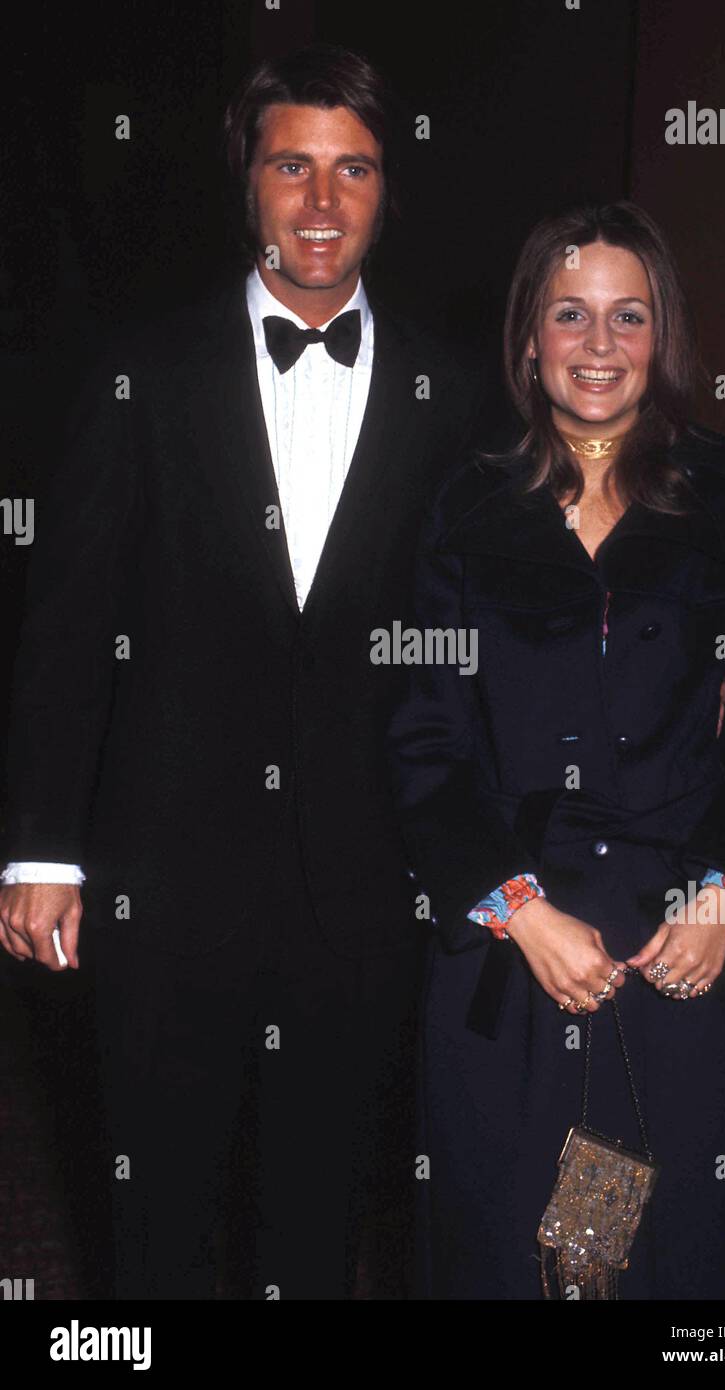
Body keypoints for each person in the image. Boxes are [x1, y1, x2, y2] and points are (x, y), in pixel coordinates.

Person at [0, 44, 487, 1299]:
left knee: (321, 1221)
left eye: (353, 170)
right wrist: (43, 849)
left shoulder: (459, 395)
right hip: (164, 876)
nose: (321, 204)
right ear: (247, 180)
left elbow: (472, 651)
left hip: (368, 886)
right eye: (291, 166)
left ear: (387, 189)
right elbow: (66, 624)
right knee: (153, 1217)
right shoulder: (136, 373)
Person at [387, 202, 725, 1300]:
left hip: (685, 950)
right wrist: (516, 907)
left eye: (626, 317)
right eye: (569, 314)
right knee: (503, 1256)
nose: (597, 345)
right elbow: (422, 733)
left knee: (678, 1262)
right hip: (510, 954)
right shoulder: (460, 498)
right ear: (528, 339)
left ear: (661, 335)